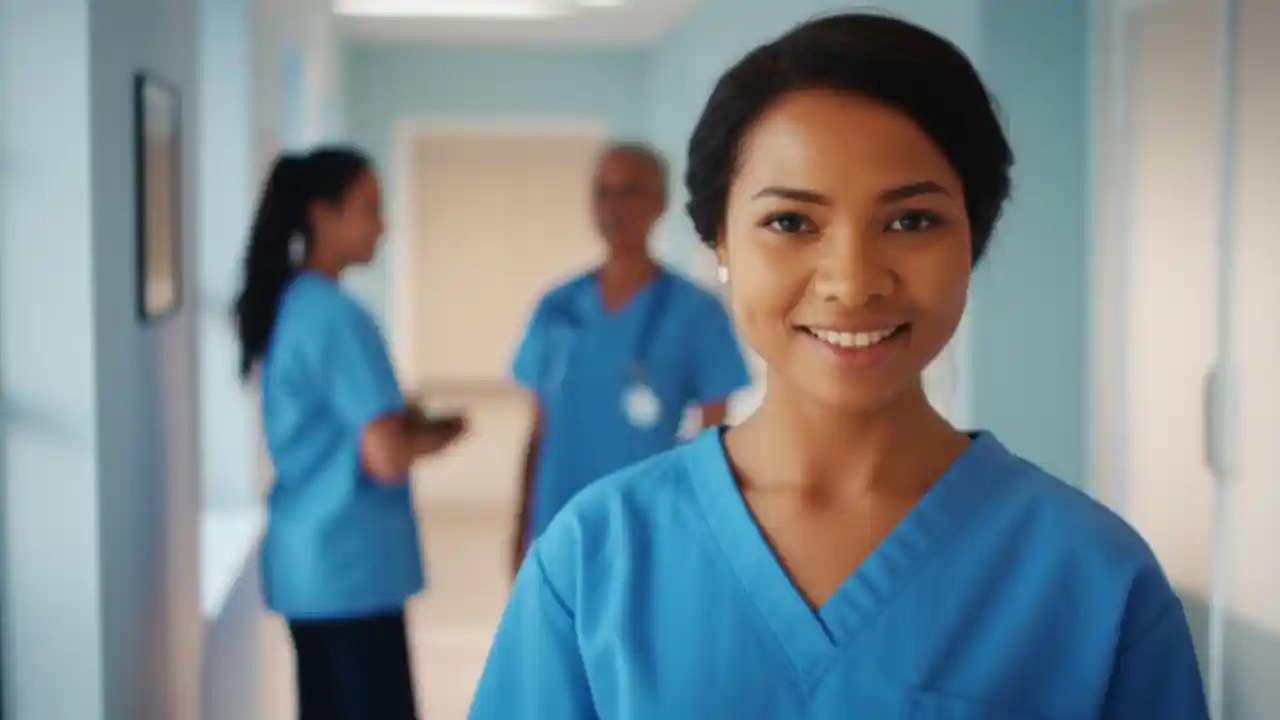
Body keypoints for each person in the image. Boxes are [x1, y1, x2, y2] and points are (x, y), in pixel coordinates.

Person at [471, 14, 1208, 719]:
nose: (851, 283)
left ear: (972, 242)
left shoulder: (1094, 582)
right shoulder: (597, 560)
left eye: (911, 221)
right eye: (790, 222)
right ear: (719, 241)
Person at [235, 147, 465, 720]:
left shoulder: (293, 304)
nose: (382, 225)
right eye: (369, 208)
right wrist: (439, 434)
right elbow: (385, 454)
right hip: (347, 567)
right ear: (322, 214)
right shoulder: (335, 316)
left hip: (311, 563)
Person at [509, 142, 750, 568]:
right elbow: (538, 432)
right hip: (559, 523)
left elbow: (714, 441)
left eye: (629, 192)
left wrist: (703, 533)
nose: (613, 207)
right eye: (603, 192)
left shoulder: (695, 312)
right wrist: (519, 532)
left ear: (659, 202)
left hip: (650, 523)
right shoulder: (557, 307)